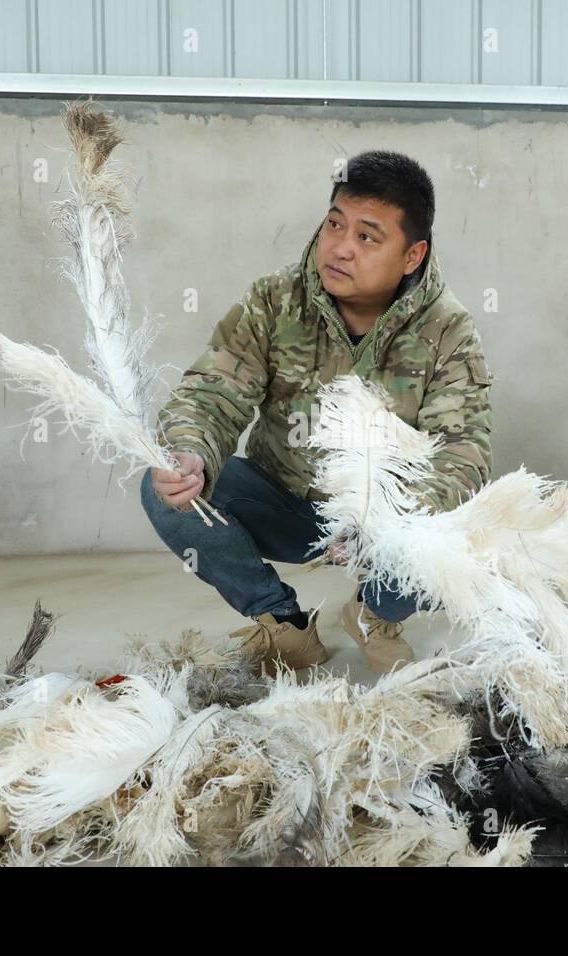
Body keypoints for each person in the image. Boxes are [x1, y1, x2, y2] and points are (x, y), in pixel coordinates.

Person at [141, 149, 493, 674]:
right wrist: (190, 449)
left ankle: (375, 613)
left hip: (385, 526)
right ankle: (282, 621)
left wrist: (390, 517)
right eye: (335, 225)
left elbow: (463, 451)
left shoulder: (448, 329)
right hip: (283, 501)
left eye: (367, 237)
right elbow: (212, 391)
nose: (341, 248)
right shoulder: (275, 300)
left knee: (455, 535)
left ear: (412, 256)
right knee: (164, 486)